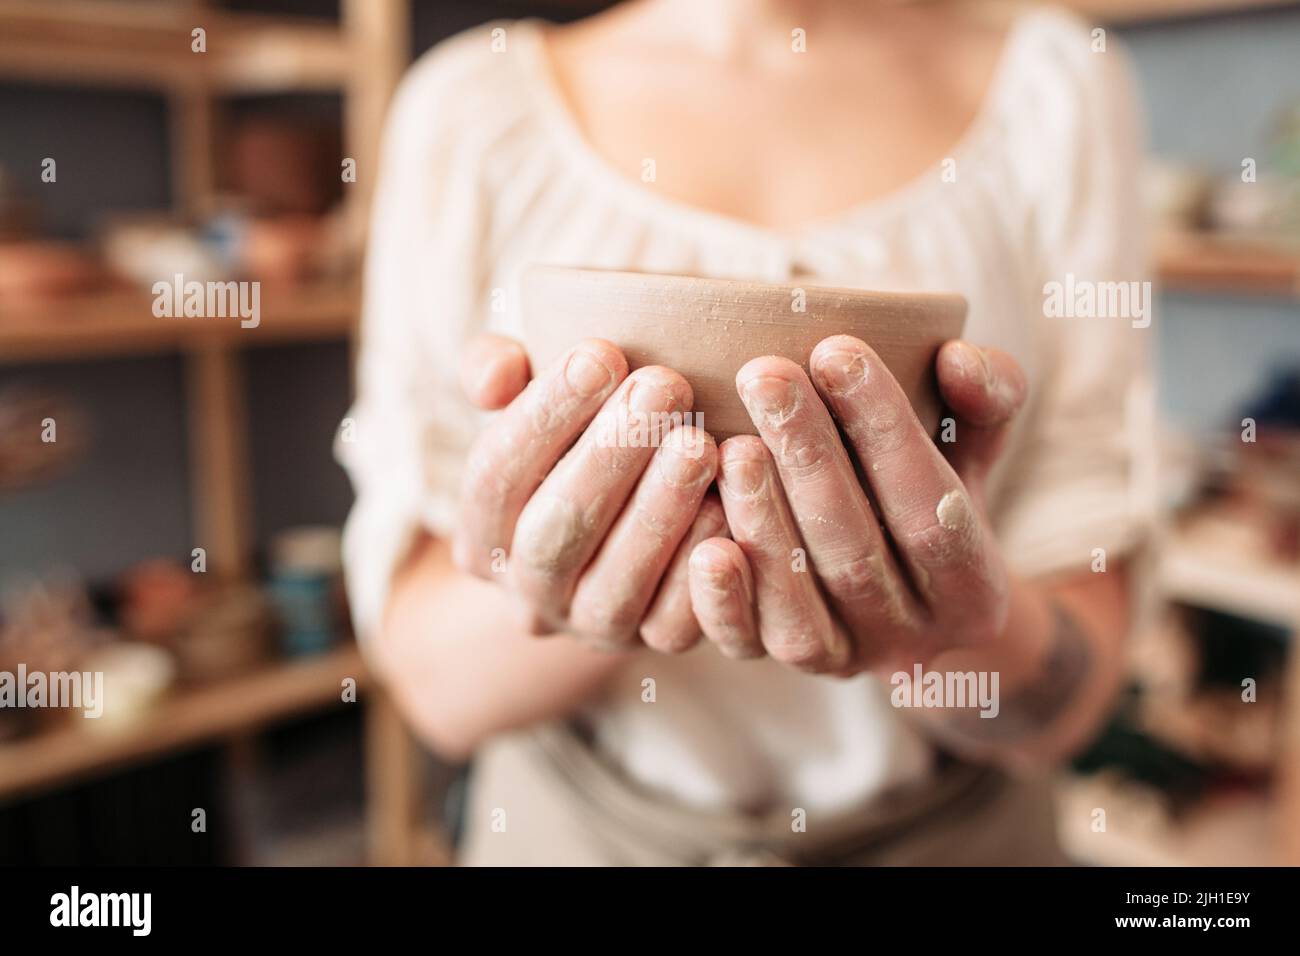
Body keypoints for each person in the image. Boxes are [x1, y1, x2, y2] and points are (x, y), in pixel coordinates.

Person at [337, 0, 1154, 865]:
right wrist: (555, 588)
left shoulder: (1057, 89)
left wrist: (943, 633)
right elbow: (436, 690)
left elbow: (1073, 693)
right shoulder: (470, 107)